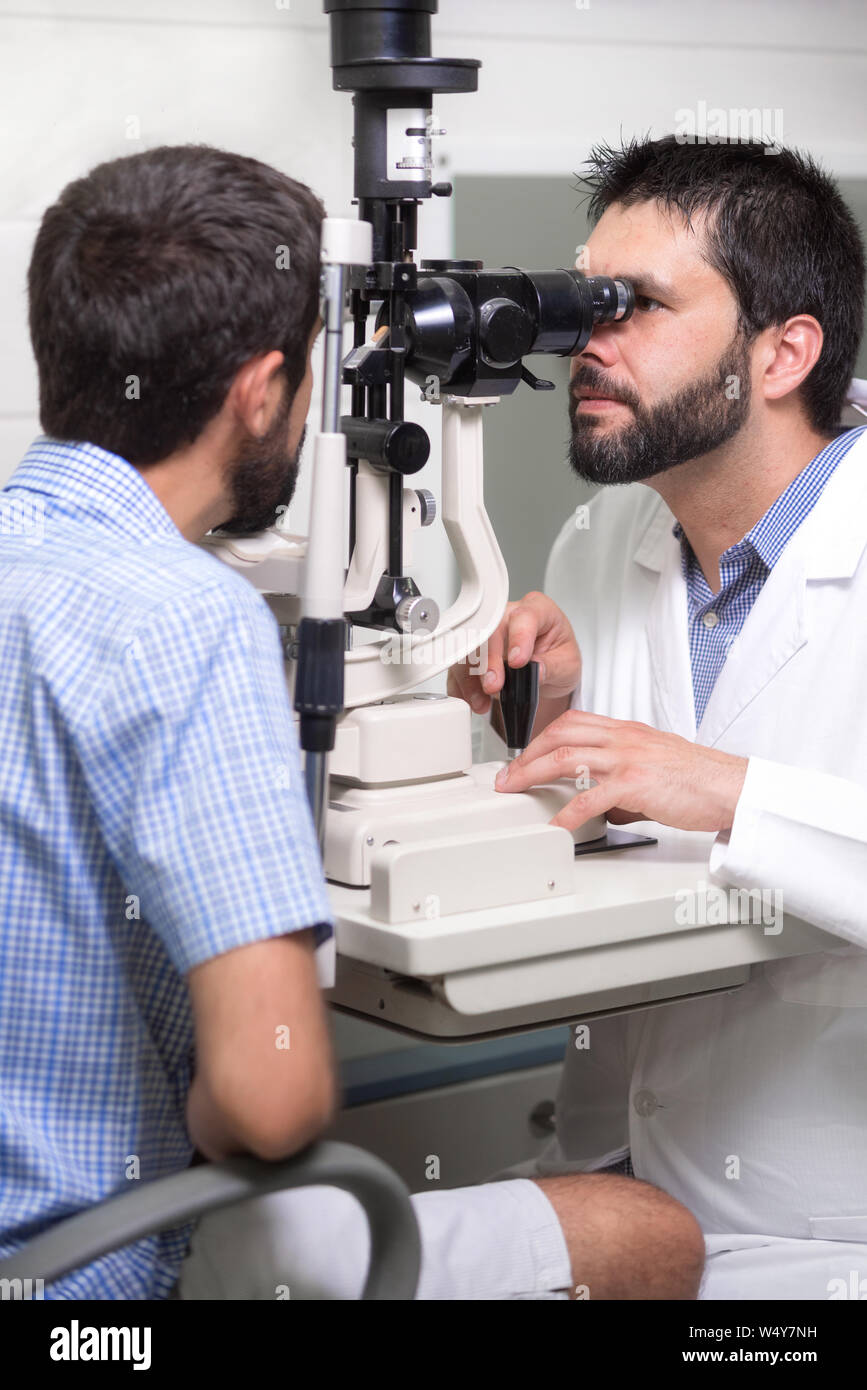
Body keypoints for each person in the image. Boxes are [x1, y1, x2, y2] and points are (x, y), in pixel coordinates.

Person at [0, 143, 704, 1301]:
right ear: (261, 390)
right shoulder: (189, 620)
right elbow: (269, 1103)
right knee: (650, 1234)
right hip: (93, 1279)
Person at [450, 135, 867, 1301]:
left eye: (633, 307)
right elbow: (626, 854)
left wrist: (732, 792)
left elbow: (714, 797)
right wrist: (550, 730)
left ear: (783, 351)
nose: (588, 338)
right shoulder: (606, 540)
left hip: (826, 1229)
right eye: (588, 298)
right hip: (620, 1180)